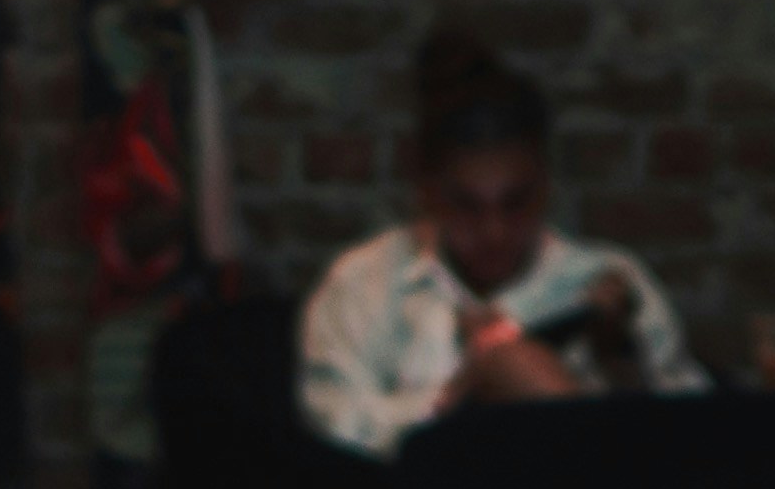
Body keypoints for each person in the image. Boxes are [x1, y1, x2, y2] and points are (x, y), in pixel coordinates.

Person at [294, 27, 707, 456]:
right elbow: (334, 430)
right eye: (467, 206)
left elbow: (692, 441)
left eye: (516, 203)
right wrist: (458, 397)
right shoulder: (366, 283)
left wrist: (621, 366)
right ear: (427, 194)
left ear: (545, 187)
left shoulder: (606, 281)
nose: (494, 232)